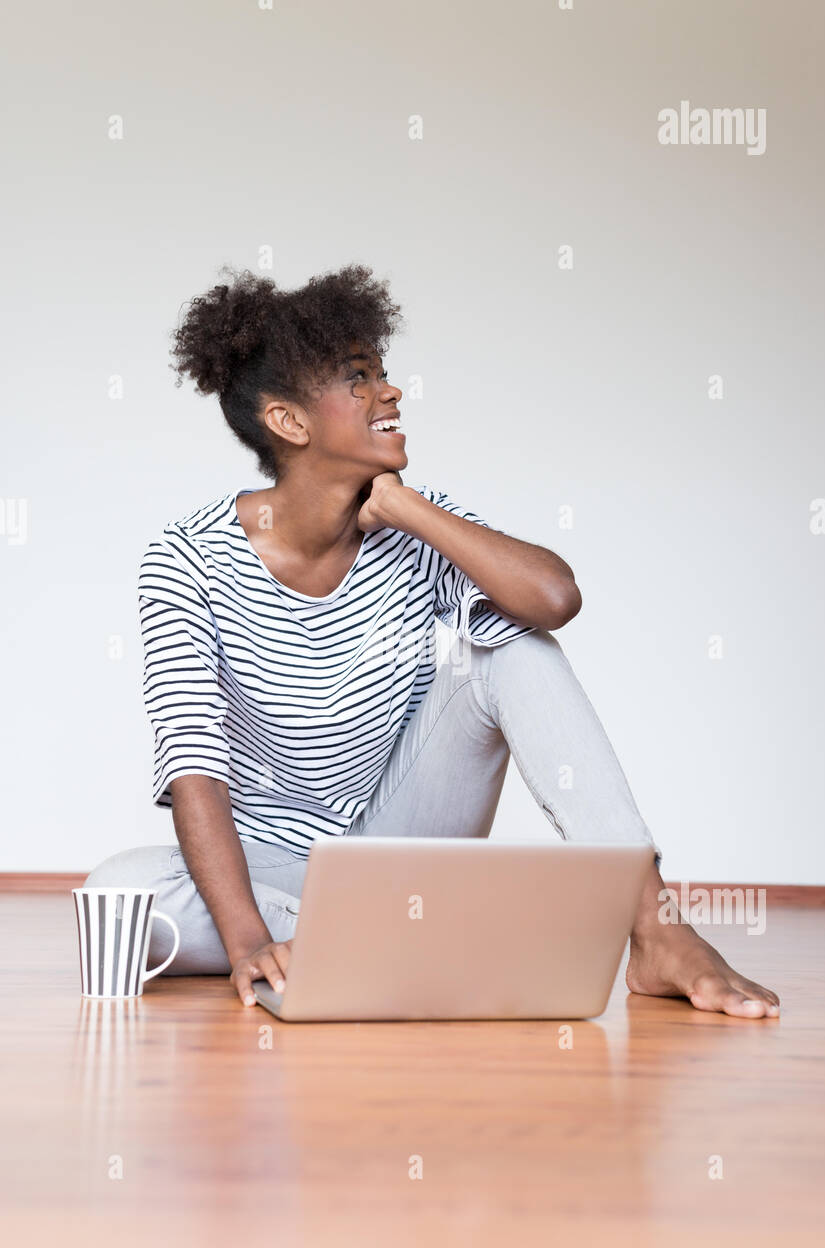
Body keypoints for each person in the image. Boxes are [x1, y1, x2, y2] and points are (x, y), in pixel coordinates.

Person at [84, 264, 779, 1021]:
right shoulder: (188, 557)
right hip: (262, 868)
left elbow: (554, 600)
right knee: (118, 893)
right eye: (359, 379)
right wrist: (249, 939)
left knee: (510, 645)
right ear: (290, 422)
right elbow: (193, 765)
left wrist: (414, 513)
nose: (391, 392)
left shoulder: (420, 527)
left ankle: (654, 929)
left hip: (394, 845)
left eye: (383, 373)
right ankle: (392, 945)